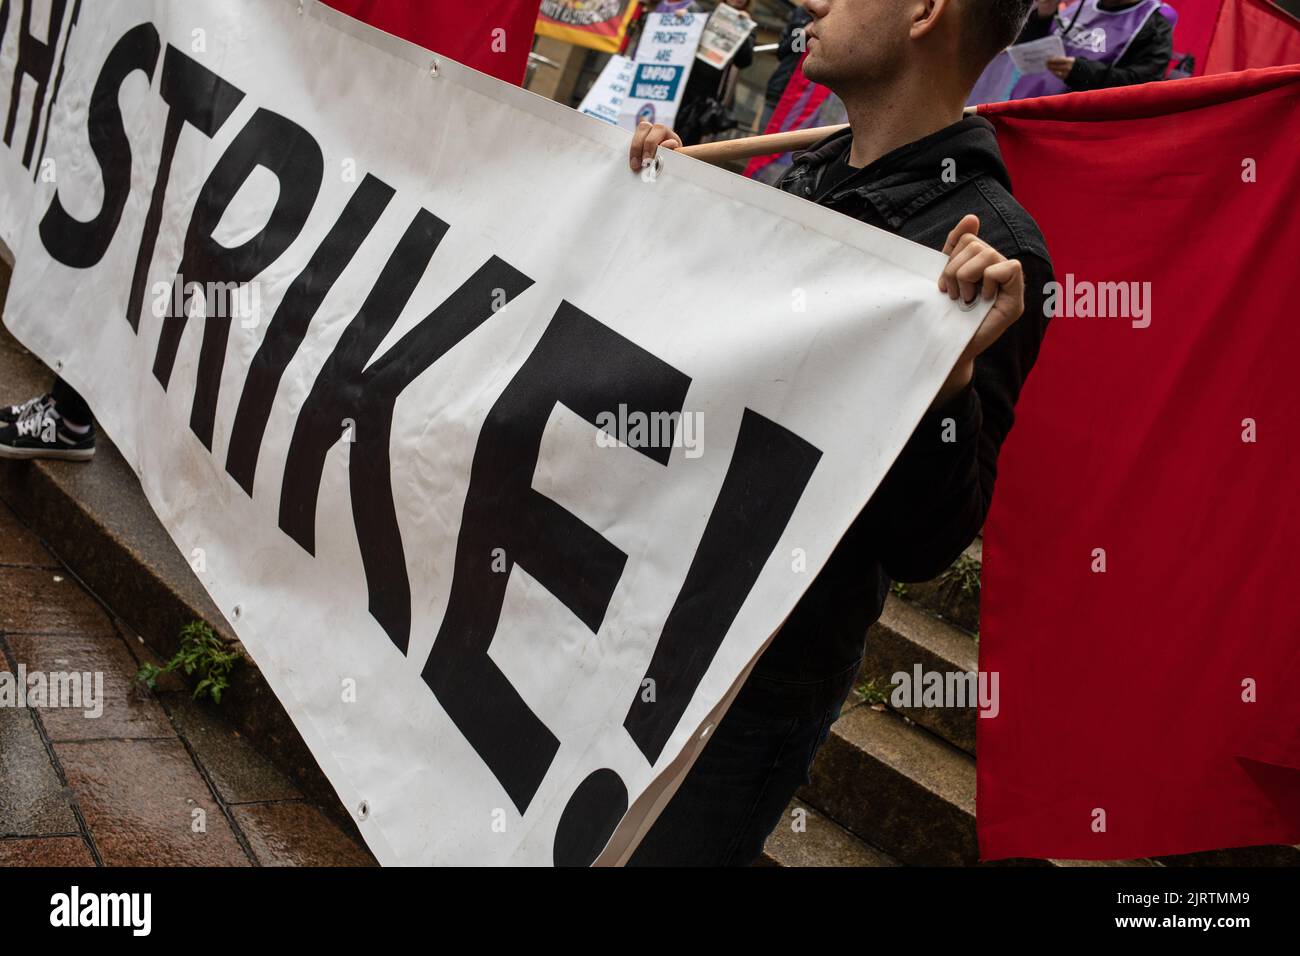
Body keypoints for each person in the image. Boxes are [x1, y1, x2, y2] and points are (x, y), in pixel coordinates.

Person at [625, 0, 1055, 865]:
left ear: (926, 12)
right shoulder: (808, 171)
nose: (812, 4)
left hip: (759, 679)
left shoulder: (995, 256)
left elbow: (928, 542)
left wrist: (948, 387)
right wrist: (661, 212)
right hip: (645, 604)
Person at [986, 0, 1174, 101]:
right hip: (1024, 107)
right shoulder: (1082, 6)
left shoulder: (1153, 23)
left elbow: (1143, 86)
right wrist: (1044, 15)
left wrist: (1082, 72)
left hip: (1074, 128)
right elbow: (1026, 47)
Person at [0, 378, 96, 460]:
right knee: (77, 359)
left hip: (69, 432)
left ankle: (70, 429)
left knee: (91, 361)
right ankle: (54, 402)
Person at [760, 1, 815, 132]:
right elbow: (783, 51)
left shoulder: (831, 20)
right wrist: (803, 34)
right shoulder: (801, 13)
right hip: (780, 88)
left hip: (802, 100)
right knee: (763, 139)